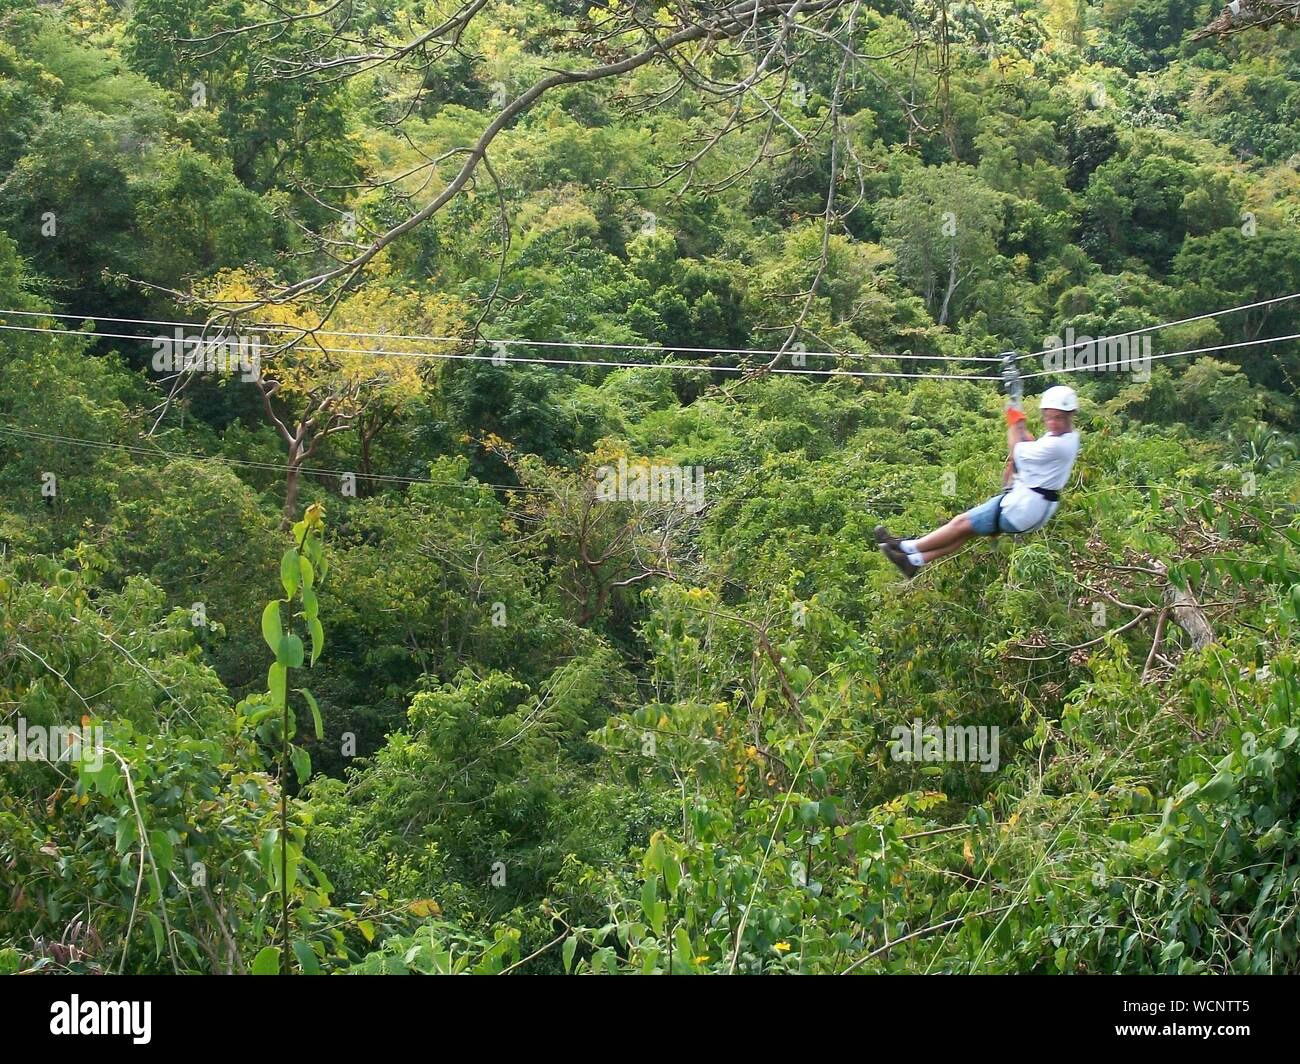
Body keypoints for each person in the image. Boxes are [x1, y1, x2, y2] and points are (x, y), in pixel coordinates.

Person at [875, 384, 1081, 579]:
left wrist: (1014, 420)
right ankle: (915, 561)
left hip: (1022, 507)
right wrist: (1018, 420)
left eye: (1059, 418)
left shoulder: (1057, 446)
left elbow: (1015, 449)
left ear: (1071, 415)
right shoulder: (1066, 438)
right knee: (965, 533)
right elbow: (1029, 445)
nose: (1053, 422)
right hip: (1033, 509)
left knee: (960, 523)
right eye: (1049, 417)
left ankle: (906, 548)